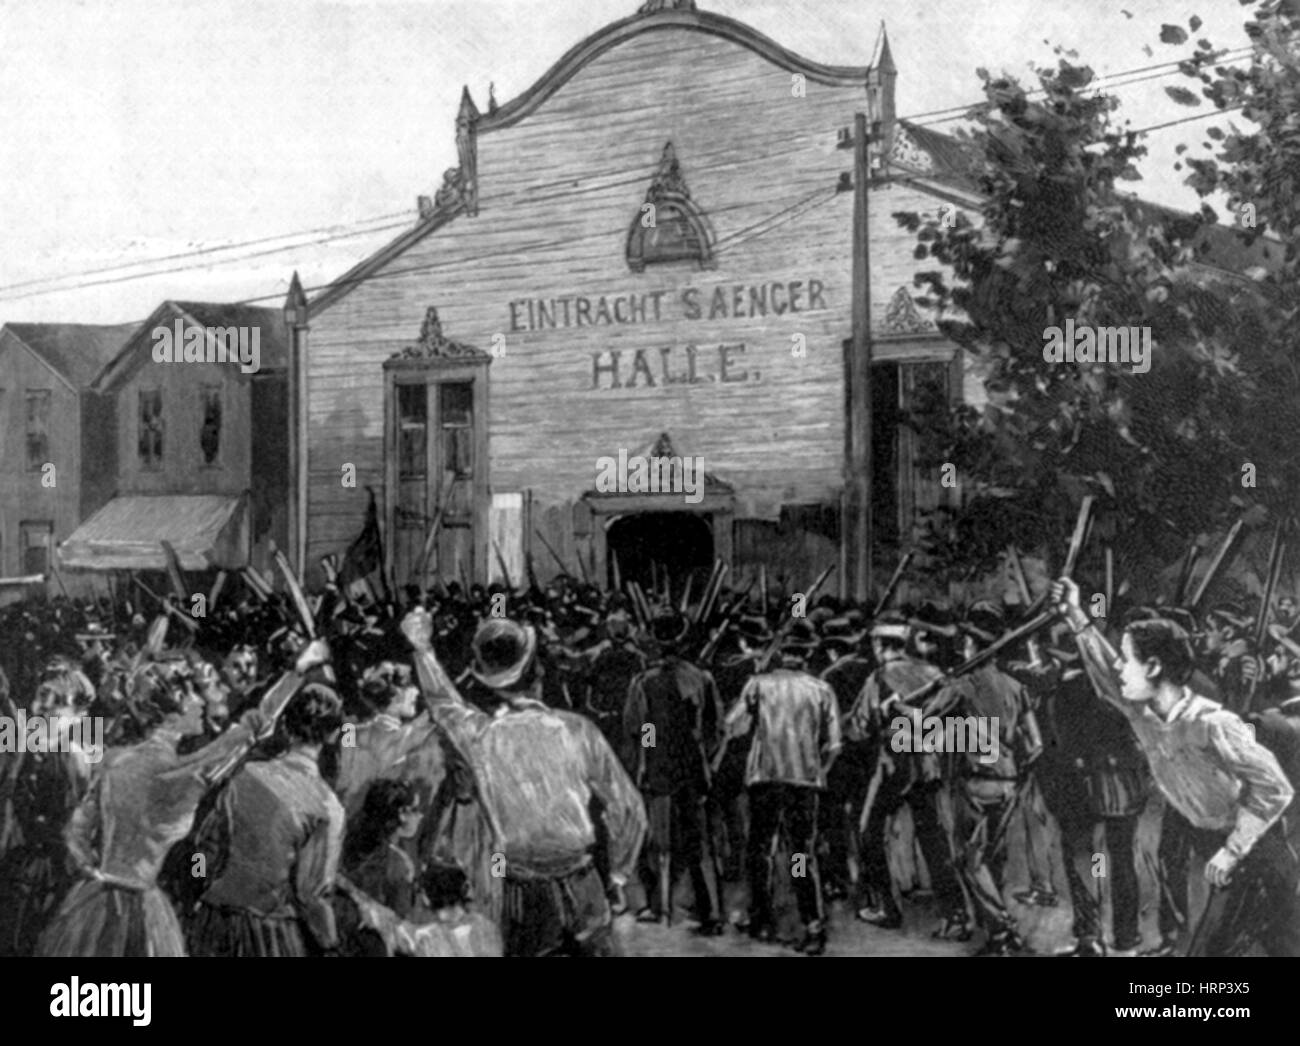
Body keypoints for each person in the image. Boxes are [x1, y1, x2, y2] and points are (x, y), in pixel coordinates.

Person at [1052, 576, 1299, 957]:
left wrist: (1233, 850)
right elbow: (1106, 676)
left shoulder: (1214, 724)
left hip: (1255, 852)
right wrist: (1076, 615)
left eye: (1128, 661)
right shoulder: (1145, 715)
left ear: (1152, 667)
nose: (1121, 671)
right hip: (1211, 847)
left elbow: (1276, 787)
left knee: (1270, 944)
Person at [36, 638, 328, 957]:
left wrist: (94, 871)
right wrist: (297, 672)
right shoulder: (185, 771)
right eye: (192, 695)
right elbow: (255, 726)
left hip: (94, 899)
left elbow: (76, 832)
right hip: (143, 910)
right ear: (172, 710)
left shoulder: (114, 760)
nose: (201, 702)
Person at [401, 608, 646, 957]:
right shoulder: (577, 730)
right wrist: (620, 874)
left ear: (489, 682)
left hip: (522, 891)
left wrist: (422, 649)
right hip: (583, 880)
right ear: (538, 672)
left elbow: (443, 703)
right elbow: (628, 805)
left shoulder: (480, 737)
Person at [189, 683, 347, 957]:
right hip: (268, 935)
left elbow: (203, 846)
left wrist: (199, 887)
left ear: (285, 726)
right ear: (334, 734)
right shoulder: (327, 806)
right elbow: (311, 896)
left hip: (213, 921)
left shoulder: (246, 774)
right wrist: (331, 945)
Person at [716, 619, 841, 955]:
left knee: (761, 851)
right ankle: (812, 924)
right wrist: (817, 771)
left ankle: (761, 918)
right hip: (804, 783)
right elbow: (834, 746)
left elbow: (733, 726)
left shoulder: (759, 684)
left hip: (766, 780)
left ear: (781, 651)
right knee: (801, 852)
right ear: (808, 652)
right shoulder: (821, 690)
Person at [924, 602, 1040, 956]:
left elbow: (917, 729)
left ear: (974, 644)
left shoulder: (960, 686)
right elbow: (1035, 745)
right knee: (992, 859)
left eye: (967, 641)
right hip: (1007, 782)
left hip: (973, 781)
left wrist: (898, 710)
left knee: (969, 860)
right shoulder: (1014, 686)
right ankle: (995, 935)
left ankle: (1003, 931)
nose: (963, 647)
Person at [852, 611, 969, 940]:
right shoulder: (935, 673)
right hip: (928, 762)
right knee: (934, 839)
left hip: (894, 763)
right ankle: (955, 913)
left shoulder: (879, 677)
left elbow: (860, 727)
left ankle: (888, 907)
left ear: (880, 644)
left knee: (869, 831)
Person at [623, 608, 724, 933]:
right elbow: (715, 729)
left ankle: (657, 908)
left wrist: (650, 753)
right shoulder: (703, 678)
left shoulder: (644, 681)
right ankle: (711, 913)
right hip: (694, 768)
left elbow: (640, 727)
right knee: (699, 846)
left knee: (655, 842)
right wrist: (701, 755)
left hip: (659, 768)